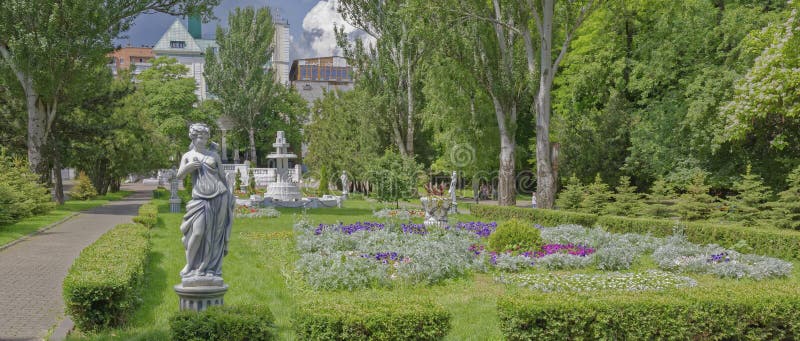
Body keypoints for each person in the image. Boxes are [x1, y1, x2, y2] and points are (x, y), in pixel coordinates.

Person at [176, 123, 235, 285]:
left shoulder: (213, 155)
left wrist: (231, 196)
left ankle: (209, 268)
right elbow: (179, 176)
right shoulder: (187, 155)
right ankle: (190, 265)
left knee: (215, 235)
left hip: (219, 197)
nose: (202, 140)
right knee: (197, 233)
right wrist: (189, 167)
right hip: (200, 199)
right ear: (193, 137)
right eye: (199, 137)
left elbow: (222, 176)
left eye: (205, 137)